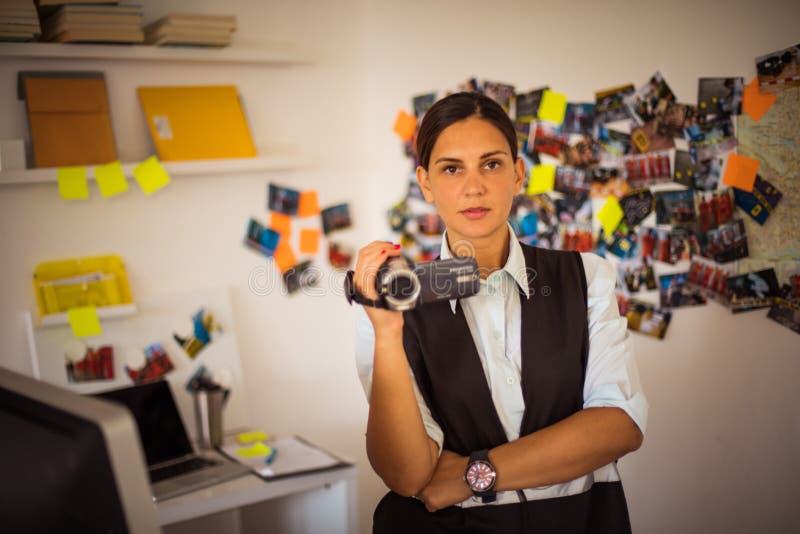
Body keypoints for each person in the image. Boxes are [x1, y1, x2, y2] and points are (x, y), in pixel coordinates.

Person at [352, 92, 647, 533]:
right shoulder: (389, 305)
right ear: (426, 183)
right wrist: (389, 334)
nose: (474, 187)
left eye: (491, 164)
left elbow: (619, 426)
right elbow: (407, 475)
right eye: (452, 168)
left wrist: (475, 474)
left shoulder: (587, 277)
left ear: (519, 174)